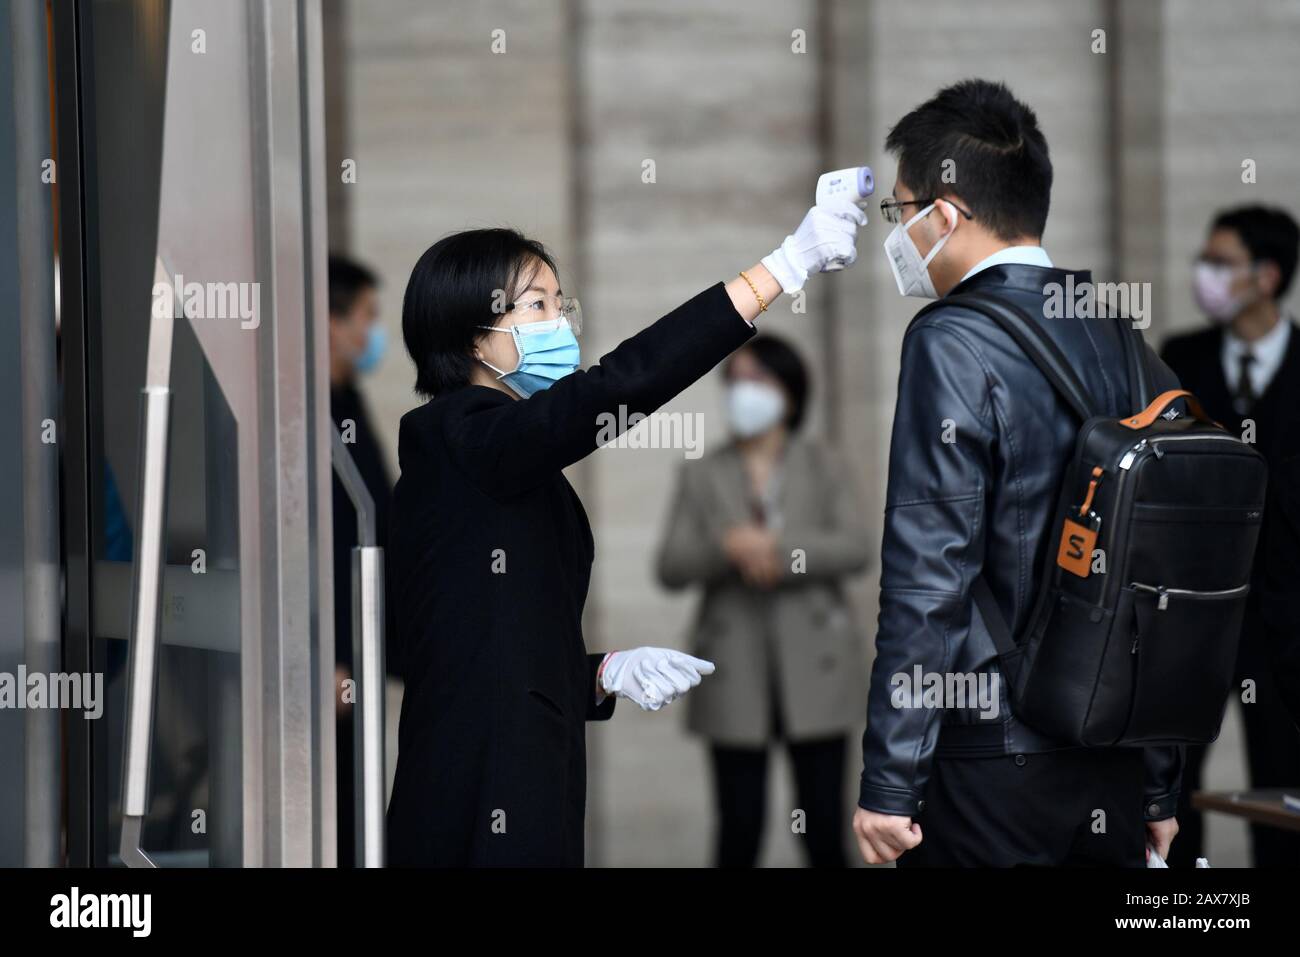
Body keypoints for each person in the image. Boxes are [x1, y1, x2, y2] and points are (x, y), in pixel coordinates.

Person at [385, 201, 867, 866]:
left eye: (561, 302)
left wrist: (599, 673)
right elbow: (620, 386)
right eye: (535, 306)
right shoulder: (465, 436)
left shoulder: (494, 455)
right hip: (481, 793)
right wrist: (779, 270)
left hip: (513, 770)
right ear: (474, 338)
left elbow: (483, 638)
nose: (560, 321)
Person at [852, 79, 1184, 868]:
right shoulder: (1114, 327)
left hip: (991, 755)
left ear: (947, 212)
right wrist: (1159, 785)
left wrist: (890, 781)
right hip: (1110, 747)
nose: (897, 235)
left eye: (901, 212)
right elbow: (1158, 565)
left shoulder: (950, 339)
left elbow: (930, 573)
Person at [656, 334, 871, 867]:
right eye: (735, 382)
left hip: (816, 666)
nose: (743, 393)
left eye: (758, 381)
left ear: (790, 394)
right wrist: (727, 547)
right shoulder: (701, 471)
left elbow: (856, 547)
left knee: (824, 829)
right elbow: (671, 566)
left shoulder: (824, 463)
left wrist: (780, 549)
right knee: (737, 829)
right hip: (734, 670)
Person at [1159, 205, 1300, 867]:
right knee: (1172, 787)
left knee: (1281, 790)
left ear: (1267, 276)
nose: (1205, 275)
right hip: (1193, 616)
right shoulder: (1180, 360)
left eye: (1222, 263)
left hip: (1286, 628)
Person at [326, 253, 395, 867]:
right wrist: (328, 657)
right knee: (338, 819)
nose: (373, 335)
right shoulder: (300, 413)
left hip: (365, 650)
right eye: (366, 318)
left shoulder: (349, 400)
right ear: (327, 321)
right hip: (333, 663)